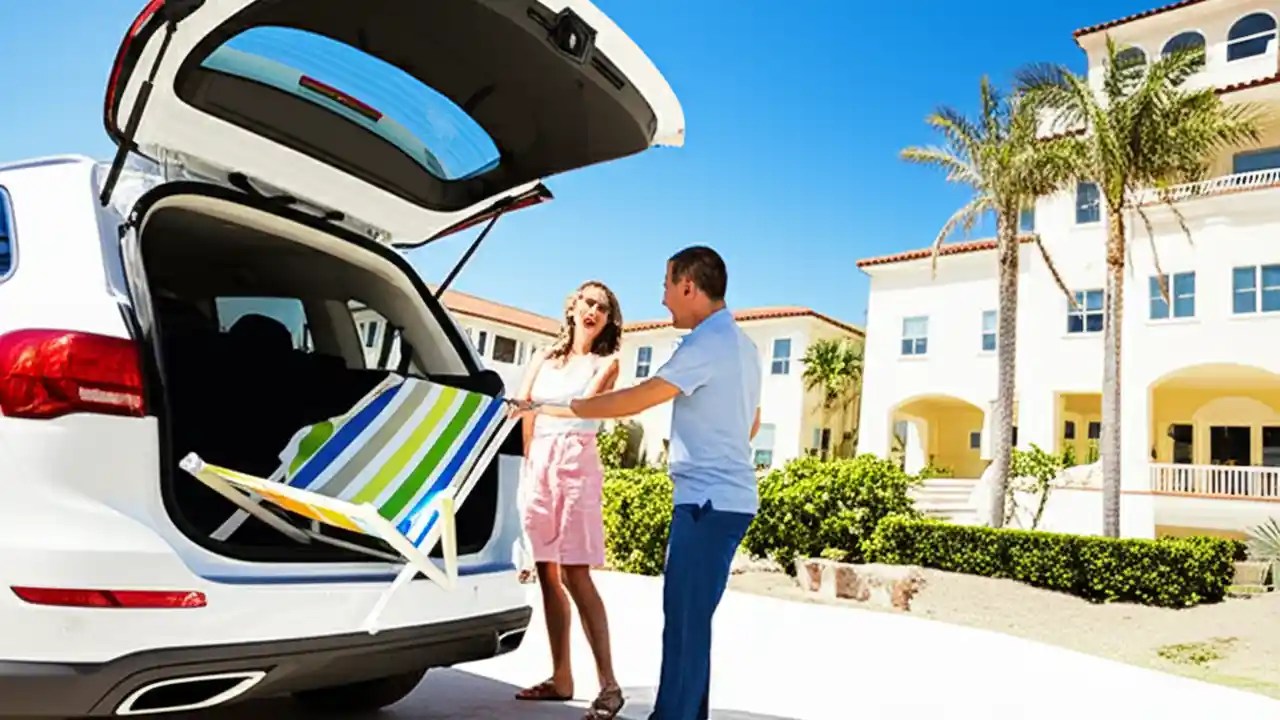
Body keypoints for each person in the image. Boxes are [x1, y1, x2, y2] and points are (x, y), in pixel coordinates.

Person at [518, 246, 762, 720]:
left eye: (668, 285)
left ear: (689, 286)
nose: (664, 297)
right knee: (692, 625)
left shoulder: (706, 345)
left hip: (706, 503)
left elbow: (641, 398)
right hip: (725, 499)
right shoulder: (743, 346)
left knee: (685, 625)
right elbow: (752, 423)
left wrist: (566, 408)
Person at [512, 280, 627, 720]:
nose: (593, 310)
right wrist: (528, 467)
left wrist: (536, 410)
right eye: (588, 302)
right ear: (573, 307)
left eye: (602, 307)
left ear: (607, 319)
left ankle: (610, 686)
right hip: (538, 461)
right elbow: (523, 409)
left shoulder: (607, 362)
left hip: (576, 463)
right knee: (546, 572)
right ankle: (562, 678)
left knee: (577, 574)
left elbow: (581, 407)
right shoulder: (542, 357)